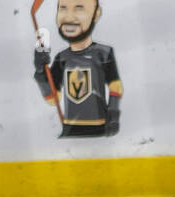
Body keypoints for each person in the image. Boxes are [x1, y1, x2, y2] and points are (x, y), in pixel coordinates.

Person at [33, 0, 122, 137]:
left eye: (79, 8)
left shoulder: (103, 53)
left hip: (99, 126)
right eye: (63, 8)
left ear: (96, 13)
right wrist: (41, 73)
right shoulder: (61, 58)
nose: (68, 17)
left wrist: (113, 116)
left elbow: (115, 86)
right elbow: (53, 99)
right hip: (70, 129)